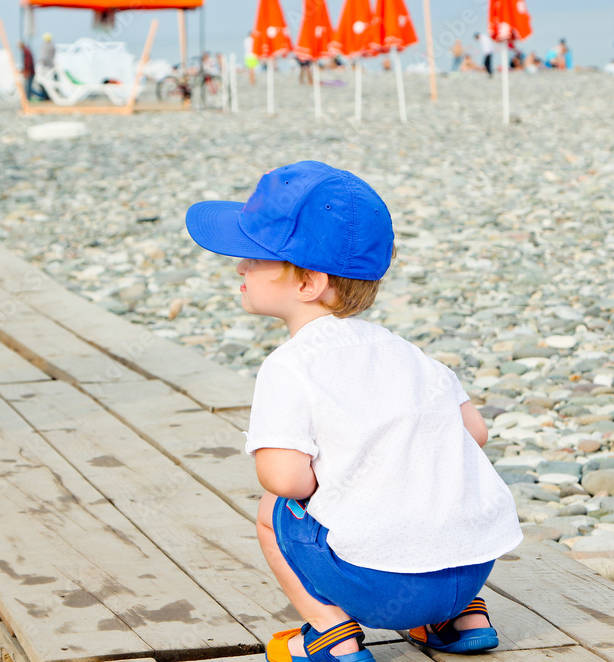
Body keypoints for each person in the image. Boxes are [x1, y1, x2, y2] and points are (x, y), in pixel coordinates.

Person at [185, 162, 522, 661]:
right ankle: (460, 619)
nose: (239, 268)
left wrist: (340, 483)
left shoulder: (291, 367)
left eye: (253, 258)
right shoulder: (410, 353)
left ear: (309, 283)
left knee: (270, 513)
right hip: (471, 563)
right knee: (430, 486)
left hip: (379, 585)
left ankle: (330, 635)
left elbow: (285, 479)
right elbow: (473, 432)